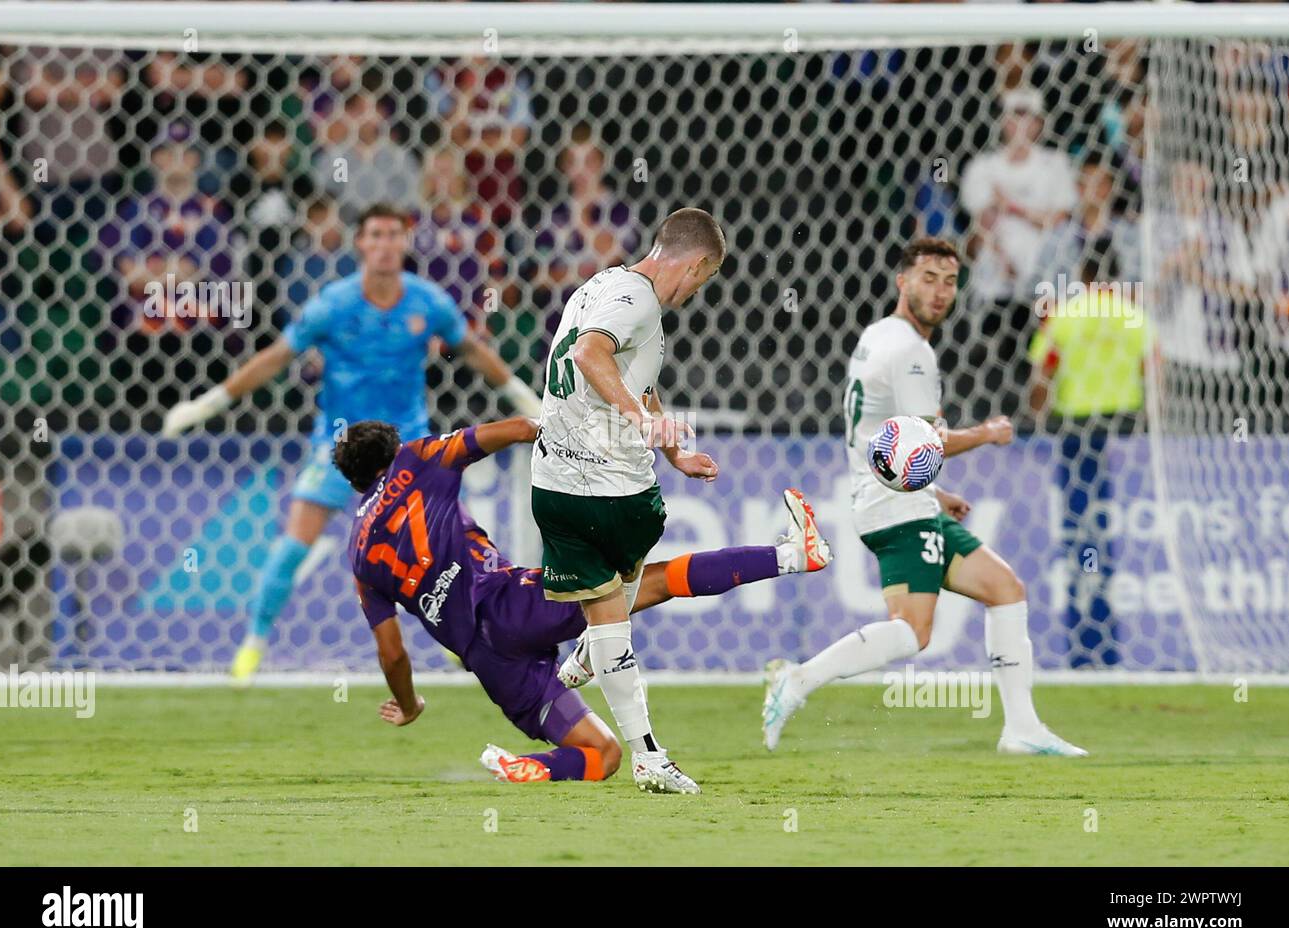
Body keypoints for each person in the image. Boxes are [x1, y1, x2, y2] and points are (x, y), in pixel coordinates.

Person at [160, 203, 542, 680]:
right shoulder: (333, 304)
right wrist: (208, 404)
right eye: (375, 235)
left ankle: (459, 640)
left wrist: (526, 399)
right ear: (360, 243)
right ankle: (253, 645)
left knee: (445, 544)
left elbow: (471, 350)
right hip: (339, 445)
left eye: (392, 234)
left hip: (408, 444)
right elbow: (278, 356)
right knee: (296, 540)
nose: (384, 244)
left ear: (405, 242)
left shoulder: (427, 303)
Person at [336, 417, 832, 784]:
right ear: (393, 449)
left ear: (356, 482)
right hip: (514, 602)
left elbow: (393, 653)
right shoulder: (417, 458)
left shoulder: (359, 552)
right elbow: (508, 429)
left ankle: (534, 764)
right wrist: (556, 437)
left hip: (488, 661)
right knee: (645, 583)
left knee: (603, 755)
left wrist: (410, 704)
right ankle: (791, 556)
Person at [762, 237, 1087, 757]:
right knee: (913, 633)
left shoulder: (876, 336)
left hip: (900, 501)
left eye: (950, 281)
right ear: (902, 281)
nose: (939, 292)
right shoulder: (911, 353)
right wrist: (988, 432)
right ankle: (797, 680)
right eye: (928, 278)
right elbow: (927, 441)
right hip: (895, 511)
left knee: (1006, 589)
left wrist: (937, 493)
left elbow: (891, 448)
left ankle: (1022, 729)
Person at [530, 207, 740, 794]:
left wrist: (675, 449)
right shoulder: (641, 302)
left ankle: (585, 659)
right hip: (613, 491)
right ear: (696, 263)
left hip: (553, 483)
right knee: (615, 613)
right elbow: (590, 356)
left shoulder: (601, 286)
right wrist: (633, 418)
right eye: (704, 280)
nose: (697, 291)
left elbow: (634, 382)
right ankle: (647, 755)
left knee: (609, 612)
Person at [1028, 236, 1150, 667]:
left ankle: (1083, 646)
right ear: (1117, 276)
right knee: (1119, 527)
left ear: (1082, 275)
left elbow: (1043, 376)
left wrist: (1036, 419)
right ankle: (1116, 648)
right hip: (1127, 429)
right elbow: (1155, 373)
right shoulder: (1134, 316)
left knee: (1082, 533)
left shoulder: (1065, 316)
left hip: (1078, 433)